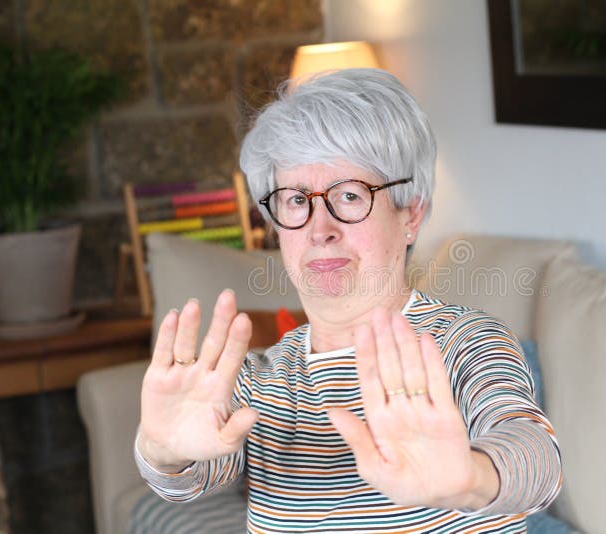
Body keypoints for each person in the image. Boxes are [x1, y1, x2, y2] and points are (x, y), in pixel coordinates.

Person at [135, 68, 562, 533]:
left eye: (350, 195)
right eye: (297, 200)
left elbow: (535, 459)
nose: (321, 230)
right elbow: (185, 480)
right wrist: (162, 449)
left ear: (411, 215)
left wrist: (471, 478)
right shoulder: (261, 380)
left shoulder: (466, 343)